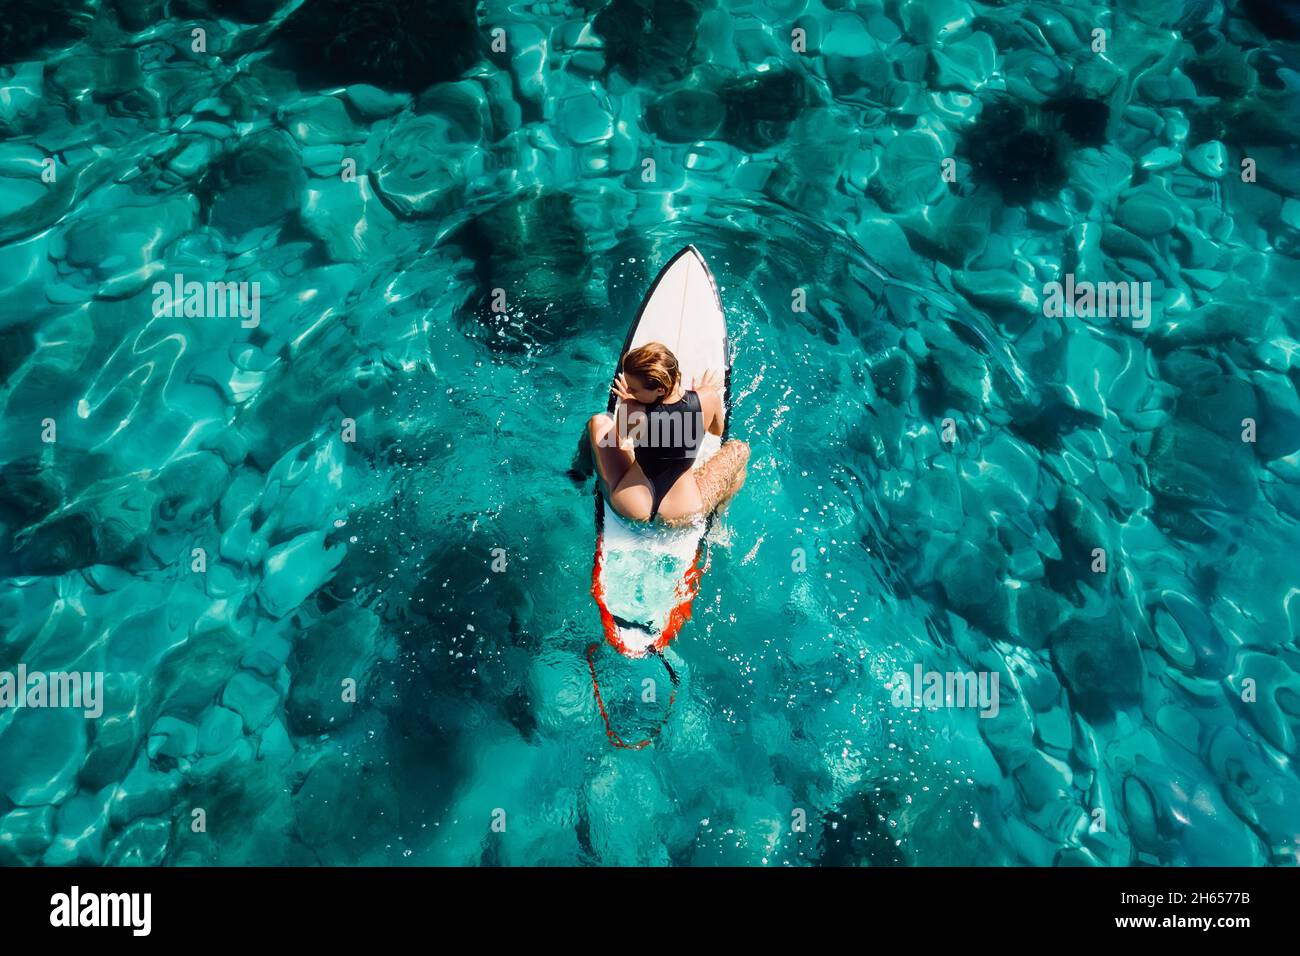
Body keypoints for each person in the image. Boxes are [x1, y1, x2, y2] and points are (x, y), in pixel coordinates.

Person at [587, 341, 749, 526]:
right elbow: (717, 431)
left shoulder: (632, 409)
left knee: (598, 422)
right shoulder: (708, 398)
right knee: (740, 448)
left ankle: (580, 471)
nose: (629, 391)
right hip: (683, 511)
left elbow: (622, 438)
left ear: (660, 390)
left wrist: (629, 404)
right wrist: (701, 397)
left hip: (633, 505)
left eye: (634, 388)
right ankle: (718, 516)